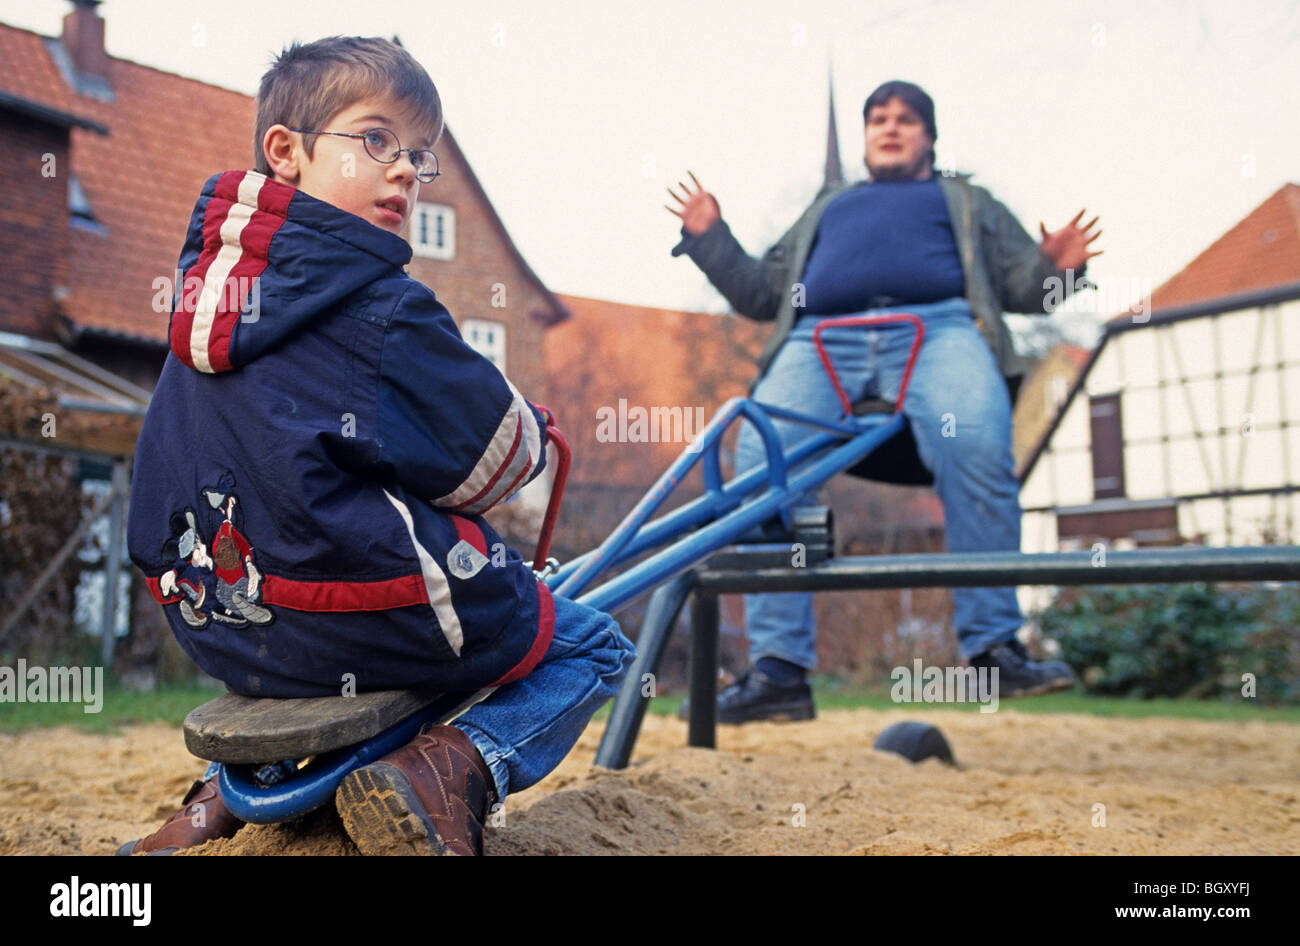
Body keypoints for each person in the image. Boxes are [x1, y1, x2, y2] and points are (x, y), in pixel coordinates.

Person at [120, 36, 634, 856]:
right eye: (377, 139)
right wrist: (533, 432)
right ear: (286, 151)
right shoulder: (385, 306)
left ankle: (219, 799)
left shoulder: (204, 303)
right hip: (347, 615)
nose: (406, 170)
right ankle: (455, 766)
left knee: (370, 608)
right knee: (591, 643)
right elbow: (490, 464)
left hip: (218, 617)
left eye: (419, 156)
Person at [667, 80, 1099, 723]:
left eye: (905, 119)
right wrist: (710, 239)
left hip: (940, 329)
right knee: (762, 452)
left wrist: (1057, 272)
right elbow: (761, 293)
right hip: (822, 338)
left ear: (929, 136)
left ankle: (993, 650)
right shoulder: (829, 206)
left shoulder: (963, 199)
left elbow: (1021, 288)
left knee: (975, 436)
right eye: (878, 119)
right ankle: (779, 672)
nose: (889, 127)